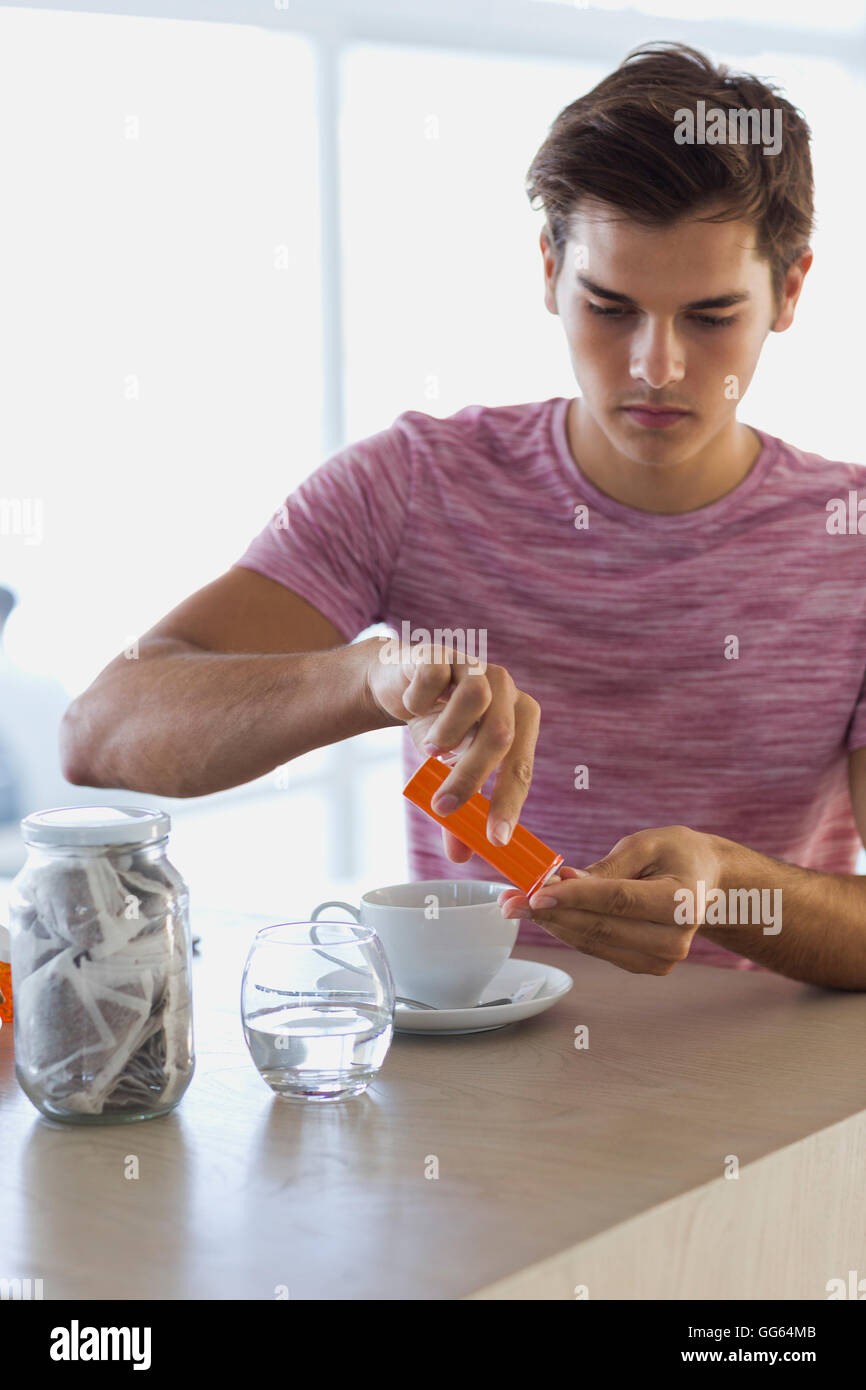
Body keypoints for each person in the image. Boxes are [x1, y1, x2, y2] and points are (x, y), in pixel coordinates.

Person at [60, 43, 866, 989]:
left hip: (777, 1109)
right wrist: (366, 677)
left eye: (709, 316)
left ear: (792, 290)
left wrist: (728, 885)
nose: (656, 366)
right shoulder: (413, 483)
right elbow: (98, 732)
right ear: (549, 271)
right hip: (472, 1095)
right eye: (610, 307)